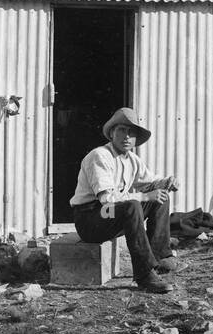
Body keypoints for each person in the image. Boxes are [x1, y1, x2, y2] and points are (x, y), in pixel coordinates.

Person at [70, 108, 182, 294]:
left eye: (132, 132)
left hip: (109, 215)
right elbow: (107, 200)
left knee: (160, 197)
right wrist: (145, 196)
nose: (126, 136)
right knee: (132, 206)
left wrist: (167, 182)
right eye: (122, 130)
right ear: (112, 132)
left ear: (137, 138)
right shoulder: (100, 156)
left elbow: (150, 182)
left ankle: (160, 257)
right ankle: (144, 274)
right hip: (91, 219)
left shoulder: (132, 159)